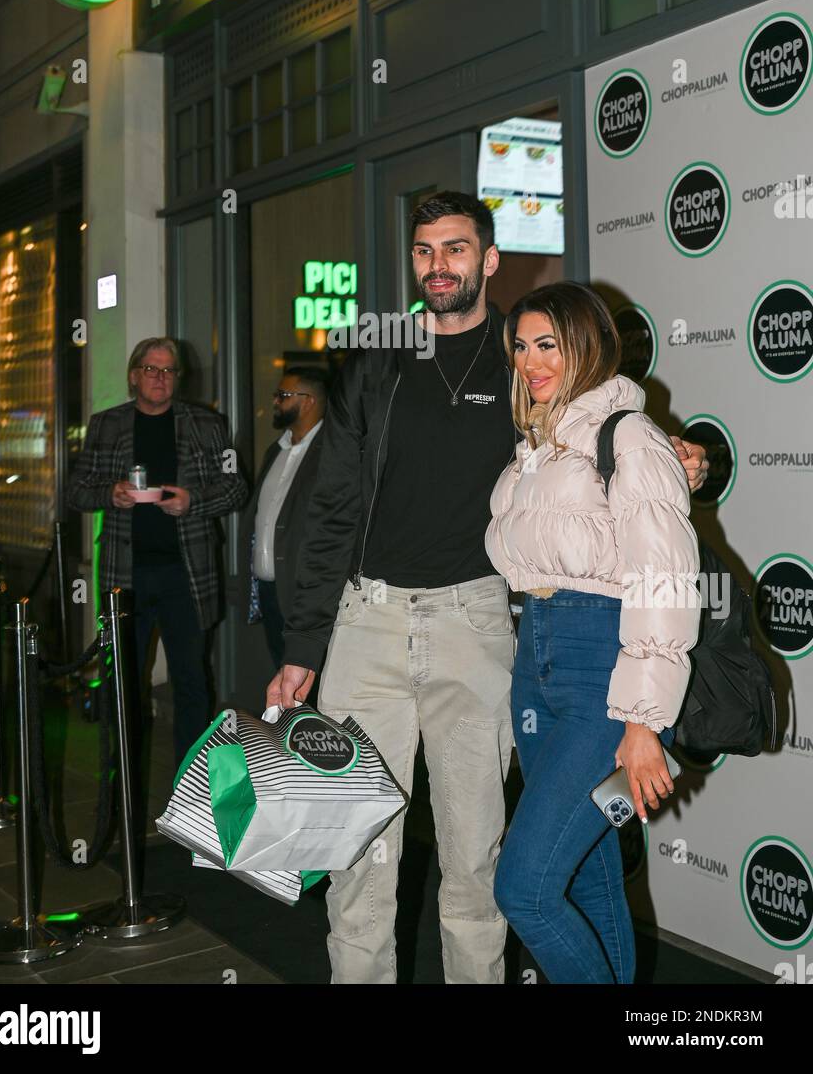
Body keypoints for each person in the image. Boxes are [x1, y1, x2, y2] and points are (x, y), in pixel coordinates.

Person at [266, 191, 707, 985]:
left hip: (477, 626)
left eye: (456, 250)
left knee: (476, 863)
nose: (440, 266)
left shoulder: (525, 367)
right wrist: (303, 647)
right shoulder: (376, 363)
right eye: (425, 251)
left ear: (488, 259)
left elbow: (603, 430)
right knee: (359, 855)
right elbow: (332, 510)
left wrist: (674, 451)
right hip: (367, 624)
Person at [486, 283, 701, 984]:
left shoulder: (629, 436)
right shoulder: (537, 448)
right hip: (538, 666)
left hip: (603, 678)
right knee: (588, 875)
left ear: (586, 345)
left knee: (525, 888)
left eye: (547, 344)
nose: (530, 361)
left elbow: (663, 581)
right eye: (520, 346)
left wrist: (643, 723)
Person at [67, 337, 247, 768]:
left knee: (191, 681)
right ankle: (122, 780)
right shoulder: (105, 425)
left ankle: (192, 784)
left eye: (168, 371)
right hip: (124, 574)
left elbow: (236, 486)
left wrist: (193, 502)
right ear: (134, 375)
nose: (160, 378)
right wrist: (110, 493)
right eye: (151, 369)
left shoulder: (209, 426)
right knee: (123, 682)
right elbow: (76, 490)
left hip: (186, 574)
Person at [241, 367, 328, 667]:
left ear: (308, 402)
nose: (275, 401)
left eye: (283, 395)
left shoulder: (332, 453)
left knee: (310, 683)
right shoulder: (274, 451)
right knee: (282, 679)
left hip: (306, 594)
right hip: (269, 592)